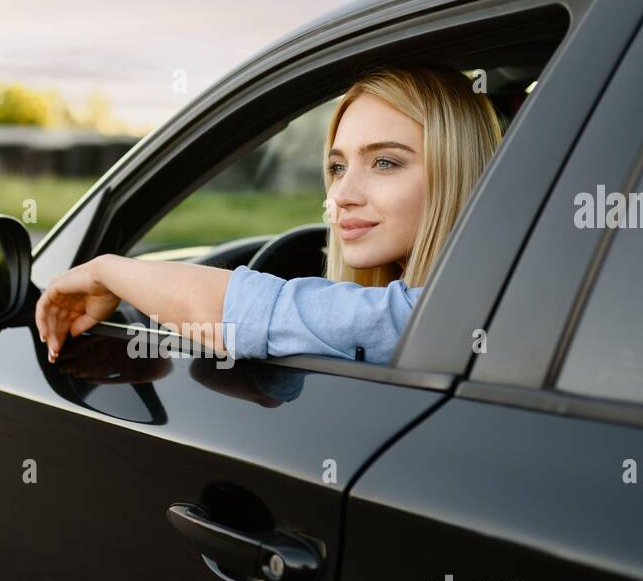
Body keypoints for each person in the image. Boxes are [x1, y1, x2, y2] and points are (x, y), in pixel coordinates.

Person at [34, 66, 502, 365]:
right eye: (337, 167)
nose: (342, 194)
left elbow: (236, 313)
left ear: (455, 171)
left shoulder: (441, 317)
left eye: (385, 162)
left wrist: (104, 271)